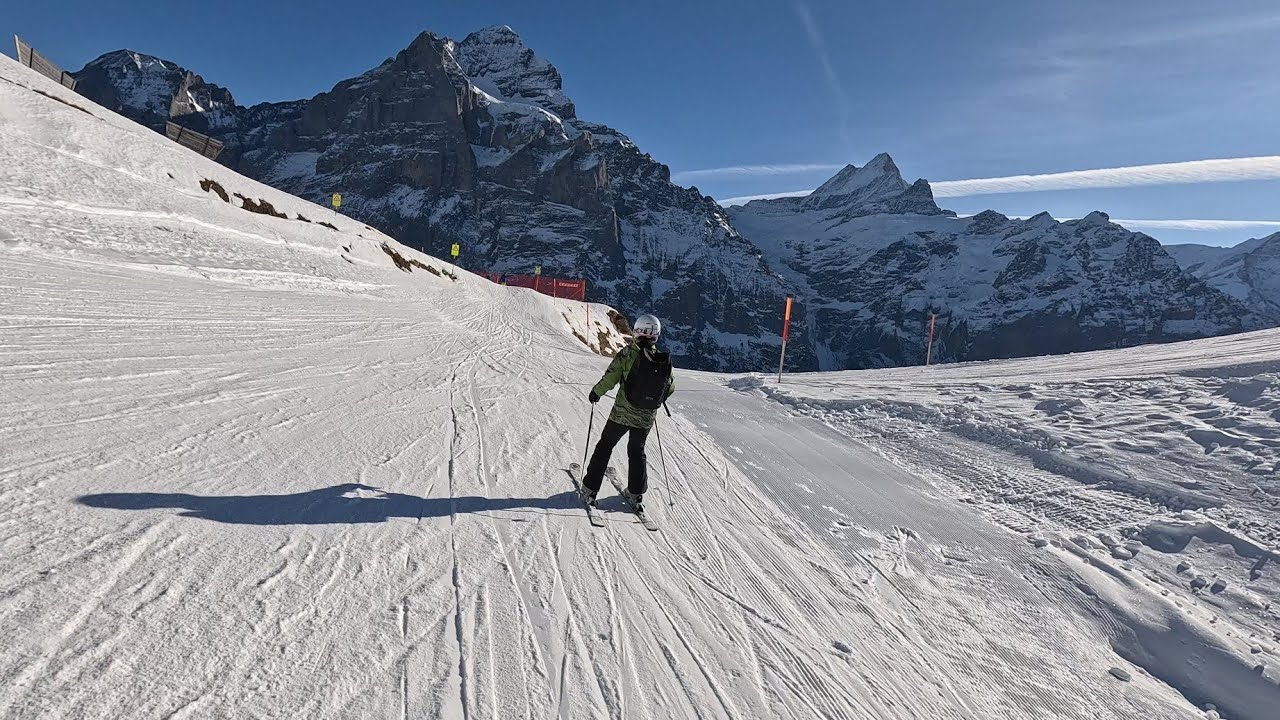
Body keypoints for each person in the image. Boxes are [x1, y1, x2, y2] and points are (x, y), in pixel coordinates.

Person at [580, 314, 675, 513]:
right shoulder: (661, 359)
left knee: (605, 445)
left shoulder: (627, 354)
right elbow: (670, 387)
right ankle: (635, 493)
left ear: (637, 331)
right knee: (637, 450)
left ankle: (590, 489)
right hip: (646, 417)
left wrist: (596, 392)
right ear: (656, 335)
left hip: (622, 413)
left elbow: (611, 377)